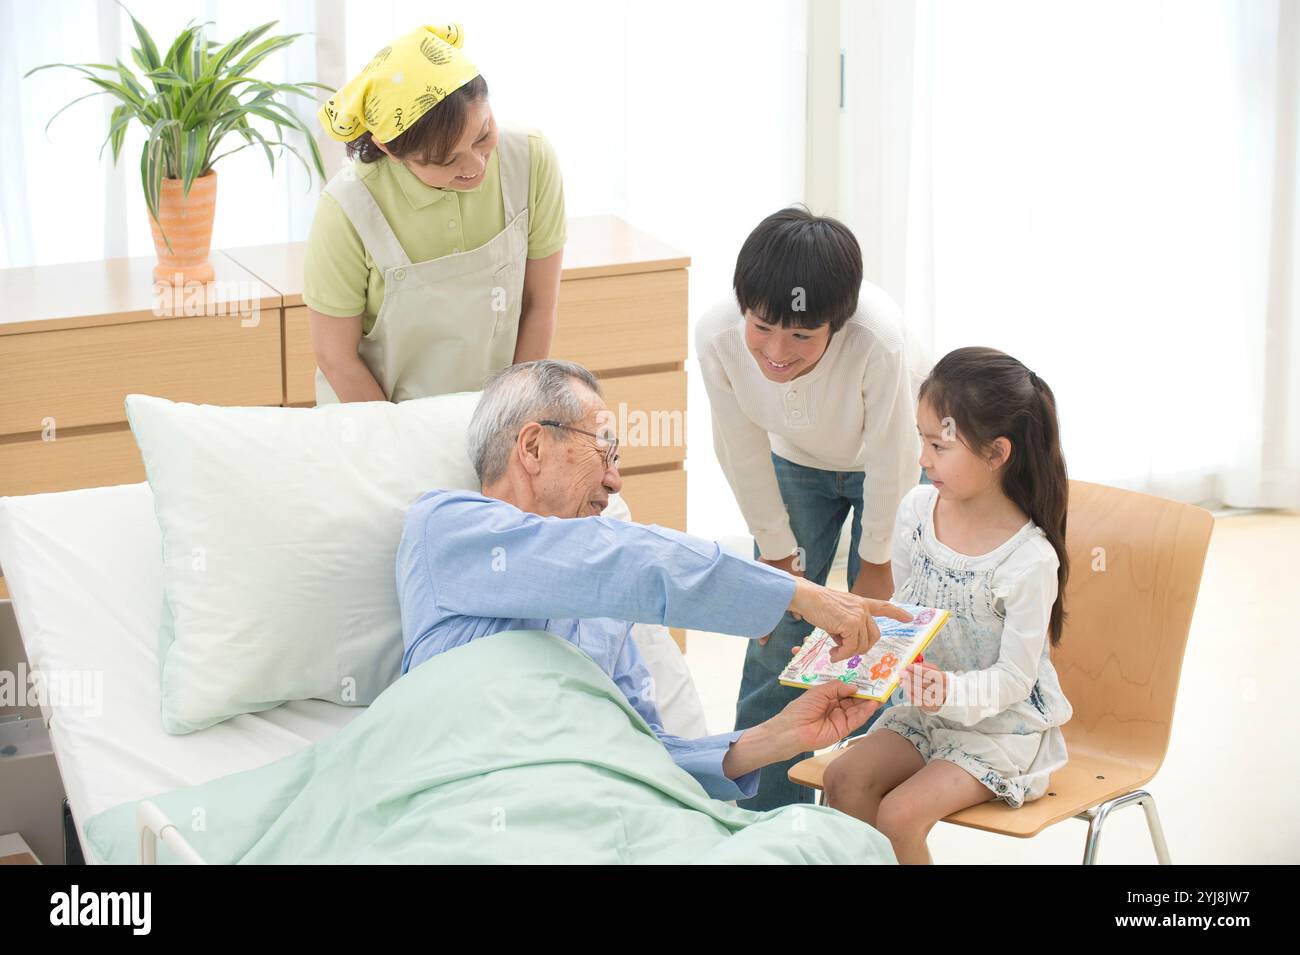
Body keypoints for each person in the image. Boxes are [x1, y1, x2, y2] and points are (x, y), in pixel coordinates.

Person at [396, 359, 913, 800]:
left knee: (828, 845)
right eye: (604, 451)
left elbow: (647, 757)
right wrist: (796, 593)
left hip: (598, 808)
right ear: (532, 447)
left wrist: (780, 735)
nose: (615, 480)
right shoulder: (446, 528)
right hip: (479, 801)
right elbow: (621, 560)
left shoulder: (609, 614)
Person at [695, 207, 924, 810]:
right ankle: (761, 815)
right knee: (777, 631)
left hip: (891, 466)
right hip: (796, 462)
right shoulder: (717, 336)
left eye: (801, 336)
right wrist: (777, 555)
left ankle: (858, 809)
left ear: (837, 325)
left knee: (880, 641)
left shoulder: (878, 340)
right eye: (762, 326)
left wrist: (876, 560)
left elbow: (895, 455)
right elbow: (739, 447)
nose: (776, 351)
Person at [822, 347, 1074, 864]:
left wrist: (950, 692)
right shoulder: (917, 512)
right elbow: (906, 616)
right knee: (842, 778)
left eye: (939, 445)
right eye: (921, 440)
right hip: (923, 716)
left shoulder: (1028, 560)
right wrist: (853, 648)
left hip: (998, 730)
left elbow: (1015, 679)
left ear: (997, 453)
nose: (923, 458)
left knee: (899, 815)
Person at [305, 23, 566, 403]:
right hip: (378, 420)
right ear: (390, 149)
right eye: (445, 160)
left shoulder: (530, 158)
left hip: (494, 414)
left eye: (483, 135)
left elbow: (538, 304)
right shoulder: (347, 209)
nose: (475, 166)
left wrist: (511, 416)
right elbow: (337, 358)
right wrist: (400, 437)